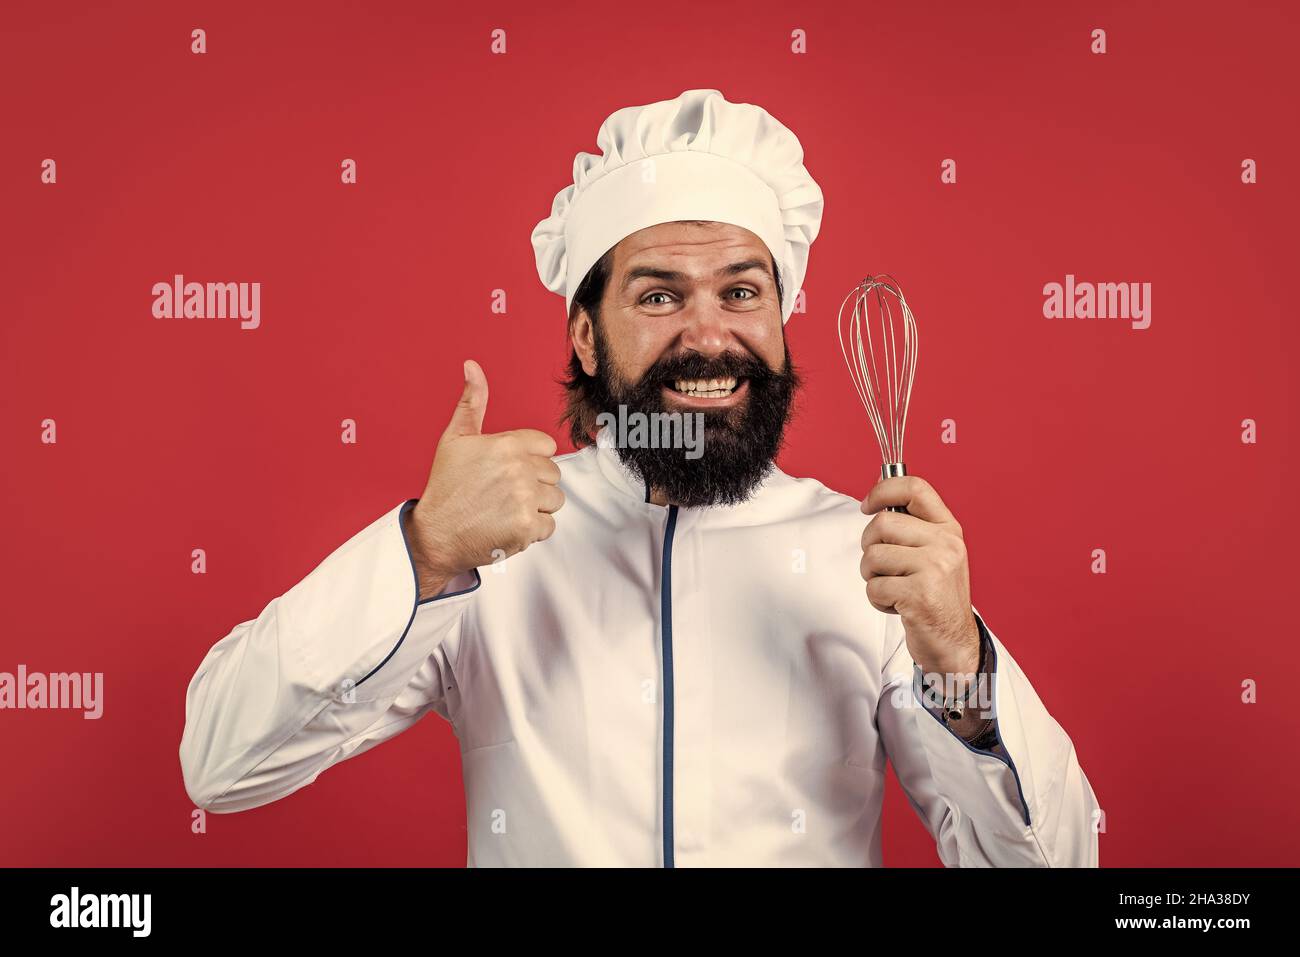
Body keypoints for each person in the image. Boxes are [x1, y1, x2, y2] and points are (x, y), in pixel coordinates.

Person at [179, 88, 1101, 867]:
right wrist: (424, 551)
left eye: (742, 291)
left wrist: (960, 663)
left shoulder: (865, 561)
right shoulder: (488, 544)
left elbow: (1053, 861)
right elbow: (222, 764)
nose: (707, 335)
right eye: (659, 295)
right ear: (586, 334)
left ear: (781, 320)